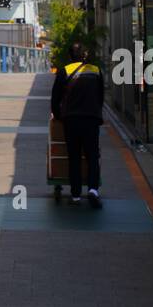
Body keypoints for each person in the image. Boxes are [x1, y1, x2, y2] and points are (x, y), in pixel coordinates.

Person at [51, 42, 104, 208]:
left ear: (70, 56)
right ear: (84, 55)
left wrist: (58, 116)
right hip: (91, 119)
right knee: (92, 155)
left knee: (74, 157)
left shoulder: (64, 71)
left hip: (71, 120)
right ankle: (93, 190)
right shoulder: (96, 71)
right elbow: (101, 96)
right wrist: (96, 112)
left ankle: (75, 195)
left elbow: (55, 98)